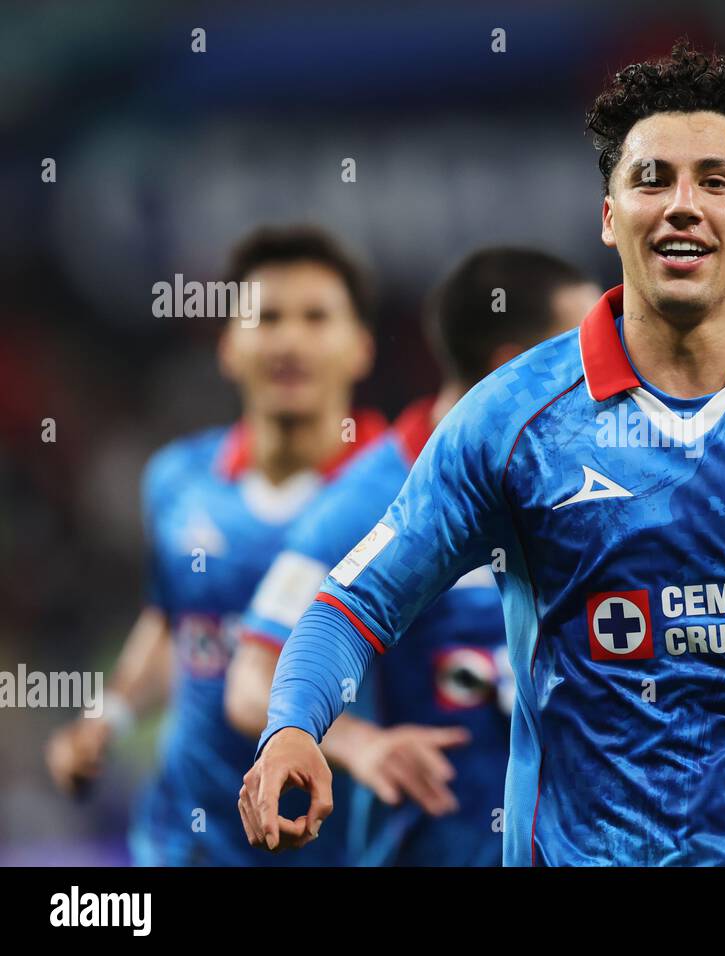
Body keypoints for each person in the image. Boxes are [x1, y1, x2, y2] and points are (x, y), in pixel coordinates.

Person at [240, 42, 725, 866]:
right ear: (609, 214)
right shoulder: (511, 421)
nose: (682, 205)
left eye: (717, 181)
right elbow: (352, 605)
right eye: (652, 179)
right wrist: (292, 727)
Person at [225, 248, 599, 865]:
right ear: (517, 368)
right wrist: (362, 745)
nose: (607, 369)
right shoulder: (365, 501)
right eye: (579, 353)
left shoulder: (589, 482)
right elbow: (251, 680)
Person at [46, 225, 382, 865]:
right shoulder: (177, 482)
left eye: (316, 317)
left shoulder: (404, 496)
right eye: (267, 317)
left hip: (335, 847)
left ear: (361, 347)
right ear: (228, 345)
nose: (289, 339)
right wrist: (107, 717)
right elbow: (177, 624)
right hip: (181, 844)